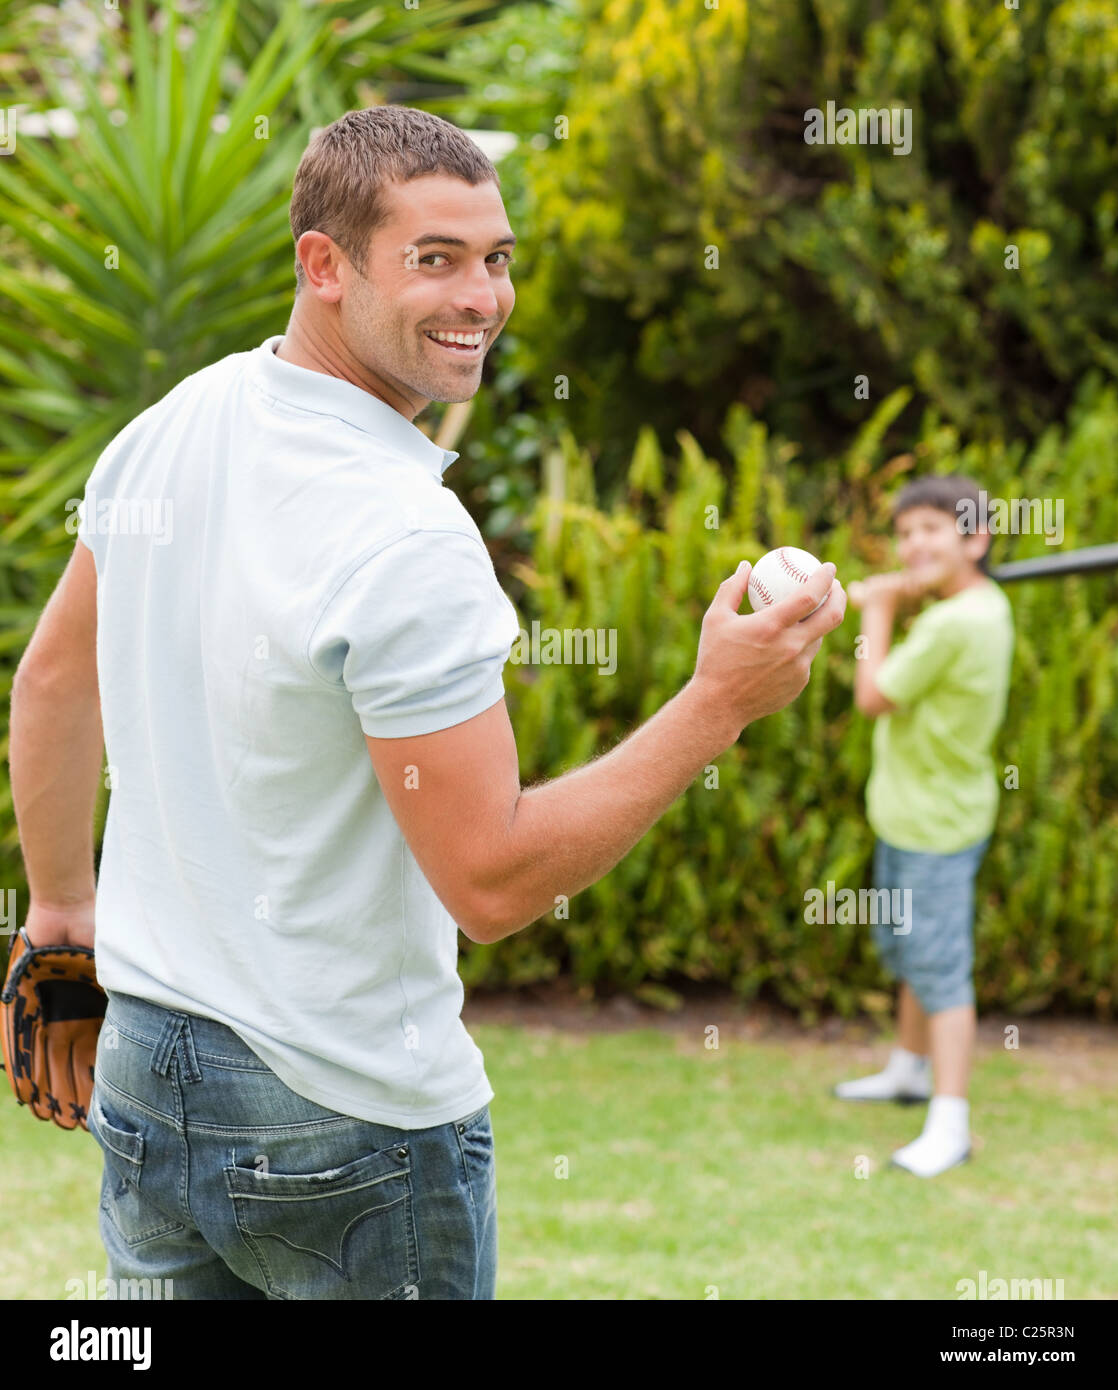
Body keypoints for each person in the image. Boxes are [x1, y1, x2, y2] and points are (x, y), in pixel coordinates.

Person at [10, 104, 847, 1299]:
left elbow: (50, 677)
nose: (483, 297)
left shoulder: (175, 426)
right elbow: (493, 881)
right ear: (324, 265)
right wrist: (718, 704)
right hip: (347, 1118)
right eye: (435, 259)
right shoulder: (406, 534)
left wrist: (59, 913)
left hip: (151, 1066)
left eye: (496, 258)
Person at [835, 474, 1015, 1177]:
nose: (912, 544)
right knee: (910, 951)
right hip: (917, 814)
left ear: (974, 540)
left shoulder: (953, 623)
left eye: (931, 531)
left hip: (934, 824)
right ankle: (908, 1071)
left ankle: (950, 1122)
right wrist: (907, 592)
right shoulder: (978, 604)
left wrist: (876, 608)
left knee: (938, 970)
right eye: (904, 532)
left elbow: (872, 694)